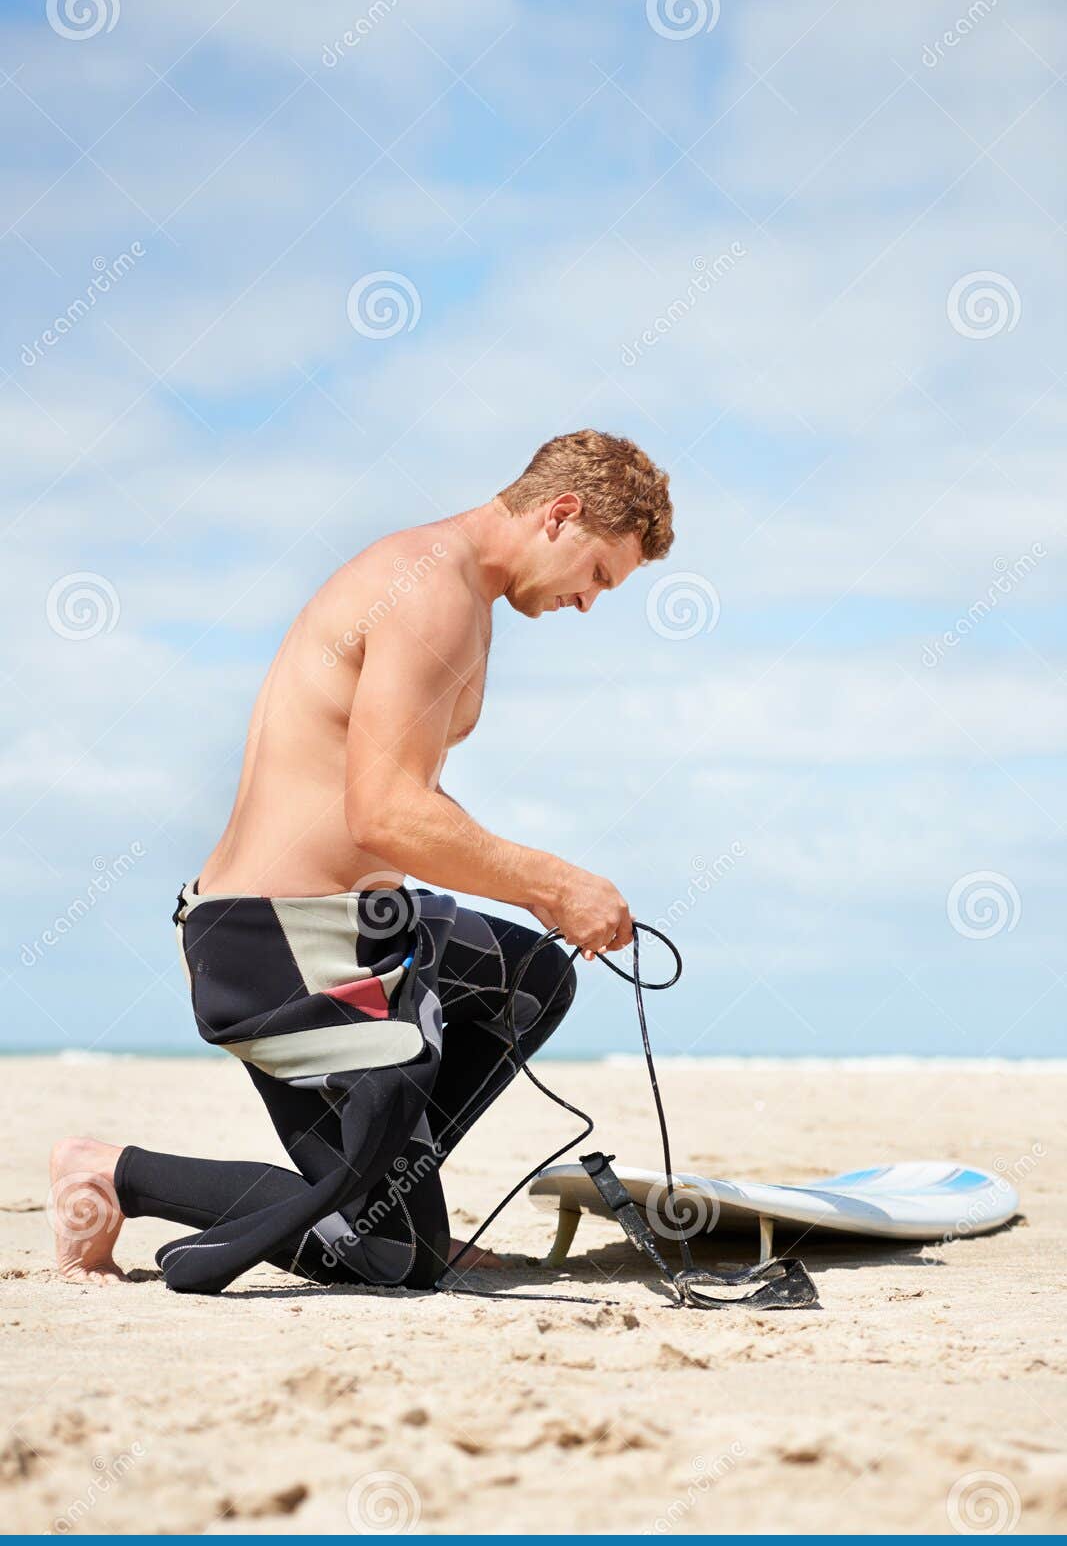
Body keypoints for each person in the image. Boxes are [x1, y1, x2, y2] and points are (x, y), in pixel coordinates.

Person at [50, 429, 674, 1293]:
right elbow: (382, 813)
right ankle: (112, 1171)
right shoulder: (434, 590)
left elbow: (396, 794)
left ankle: (383, 1186)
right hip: (280, 950)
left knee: (532, 975)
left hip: (359, 925)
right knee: (394, 1261)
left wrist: (536, 896)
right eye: (599, 576)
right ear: (562, 515)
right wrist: (553, 881)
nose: (588, 603)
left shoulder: (451, 583)